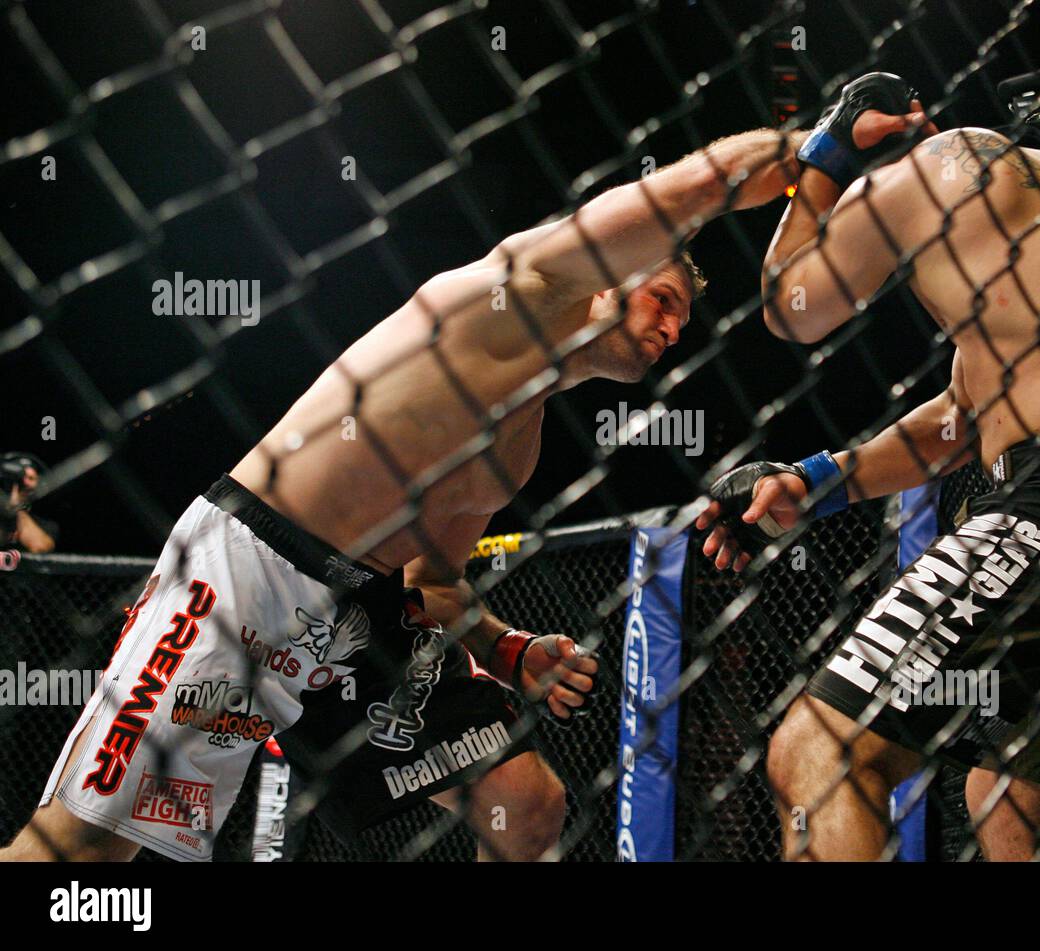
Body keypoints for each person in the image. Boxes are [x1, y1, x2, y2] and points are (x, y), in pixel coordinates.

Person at [1, 126, 805, 862]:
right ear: (610, 276)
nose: (672, 327)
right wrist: (796, 150)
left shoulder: (519, 450)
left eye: (684, 320)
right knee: (84, 850)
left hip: (357, 621)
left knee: (526, 804)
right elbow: (662, 201)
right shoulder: (504, 301)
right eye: (662, 298)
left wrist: (504, 646)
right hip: (247, 568)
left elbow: (432, 583)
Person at [697, 72, 1040, 861]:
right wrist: (813, 480)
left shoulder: (930, 169)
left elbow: (795, 305)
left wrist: (822, 163)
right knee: (1008, 800)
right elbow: (953, 429)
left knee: (820, 754)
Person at [1, 452, 57, 555]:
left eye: (30, 478)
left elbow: (40, 547)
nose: (24, 483)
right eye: (19, 478)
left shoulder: (46, 524)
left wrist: (16, 507)